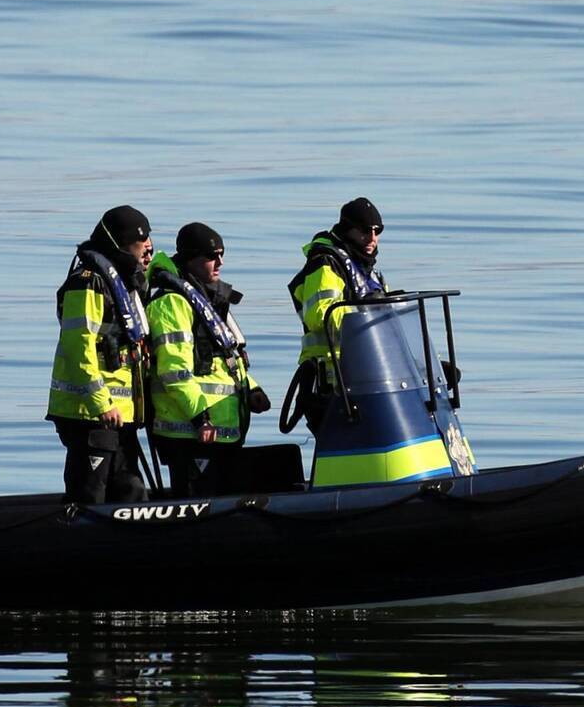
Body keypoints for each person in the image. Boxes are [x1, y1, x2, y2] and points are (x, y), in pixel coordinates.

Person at [144, 223, 270, 498]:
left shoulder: (205, 299)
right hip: (191, 433)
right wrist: (200, 416)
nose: (220, 262)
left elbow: (225, 360)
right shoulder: (171, 303)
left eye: (222, 254)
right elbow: (173, 371)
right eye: (212, 256)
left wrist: (251, 389)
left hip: (219, 432)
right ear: (191, 259)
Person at [49, 205, 154, 504]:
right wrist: (101, 403)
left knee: (131, 493)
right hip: (90, 415)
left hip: (119, 416)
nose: (148, 247)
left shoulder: (123, 282)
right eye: (141, 240)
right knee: (89, 496)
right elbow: (78, 347)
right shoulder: (89, 282)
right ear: (120, 243)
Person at [283, 197, 387, 435]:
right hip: (330, 382)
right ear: (347, 229)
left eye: (377, 231)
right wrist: (364, 314)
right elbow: (320, 314)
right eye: (365, 231)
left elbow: (387, 326)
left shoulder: (369, 274)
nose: (372, 238)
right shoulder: (325, 263)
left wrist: (421, 367)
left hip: (364, 375)